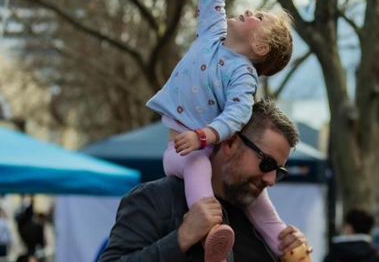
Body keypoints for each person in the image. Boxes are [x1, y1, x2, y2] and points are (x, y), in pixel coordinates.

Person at [144, 0, 295, 261]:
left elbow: (238, 114)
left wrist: (204, 136)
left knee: (258, 200)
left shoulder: (243, 75)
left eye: (259, 17)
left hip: (199, 147)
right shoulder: (211, 33)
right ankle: (212, 234)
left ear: (260, 47)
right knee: (200, 167)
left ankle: (282, 244)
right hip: (183, 152)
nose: (248, 10)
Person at [99, 99, 312, 262]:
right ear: (230, 143)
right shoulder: (156, 200)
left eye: (278, 171)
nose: (271, 180)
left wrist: (288, 253)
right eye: (266, 163)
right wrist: (182, 238)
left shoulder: (261, 224)